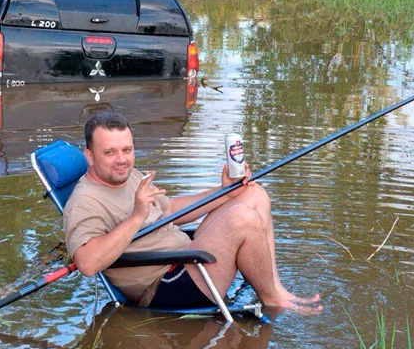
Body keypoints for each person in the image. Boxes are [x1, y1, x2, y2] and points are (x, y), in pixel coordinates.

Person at [62, 111, 320, 313]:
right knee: (243, 218)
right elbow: (87, 263)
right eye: (110, 152)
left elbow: (170, 209)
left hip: (187, 257)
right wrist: (136, 217)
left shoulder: (128, 176)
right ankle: (273, 302)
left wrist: (225, 192)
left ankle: (276, 289)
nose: (121, 160)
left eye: (127, 150)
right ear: (90, 156)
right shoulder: (84, 201)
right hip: (165, 284)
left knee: (254, 194)